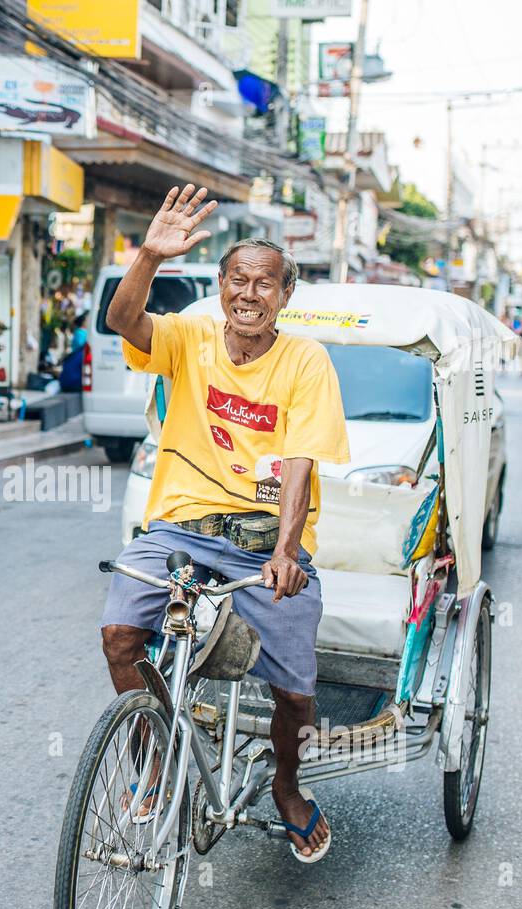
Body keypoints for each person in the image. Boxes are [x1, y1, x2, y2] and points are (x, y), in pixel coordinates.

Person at [101, 184, 350, 862]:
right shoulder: (188, 337)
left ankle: (289, 787)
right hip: (182, 527)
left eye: (264, 284)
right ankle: (156, 755)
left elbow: (298, 461)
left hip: (263, 540)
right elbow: (124, 321)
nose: (249, 293)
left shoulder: (305, 362)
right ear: (220, 286)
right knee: (121, 635)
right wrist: (149, 256)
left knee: (295, 690)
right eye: (238, 280)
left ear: (283, 296)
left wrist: (288, 549)